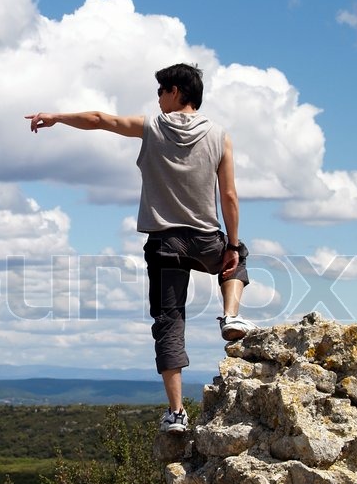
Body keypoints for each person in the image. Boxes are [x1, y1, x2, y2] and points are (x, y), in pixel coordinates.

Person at [26, 63, 256, 433]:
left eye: (162, 91)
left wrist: (56, 117)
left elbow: (101, 119)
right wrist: (231, 243)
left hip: (164, 241)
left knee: (169, 321)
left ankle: (177, 414)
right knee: (238, 258)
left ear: (177, 91)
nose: (158, 98)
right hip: (204, 236)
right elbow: (228, 195)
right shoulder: (220, 136)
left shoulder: (151, 126)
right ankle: (231, 316)